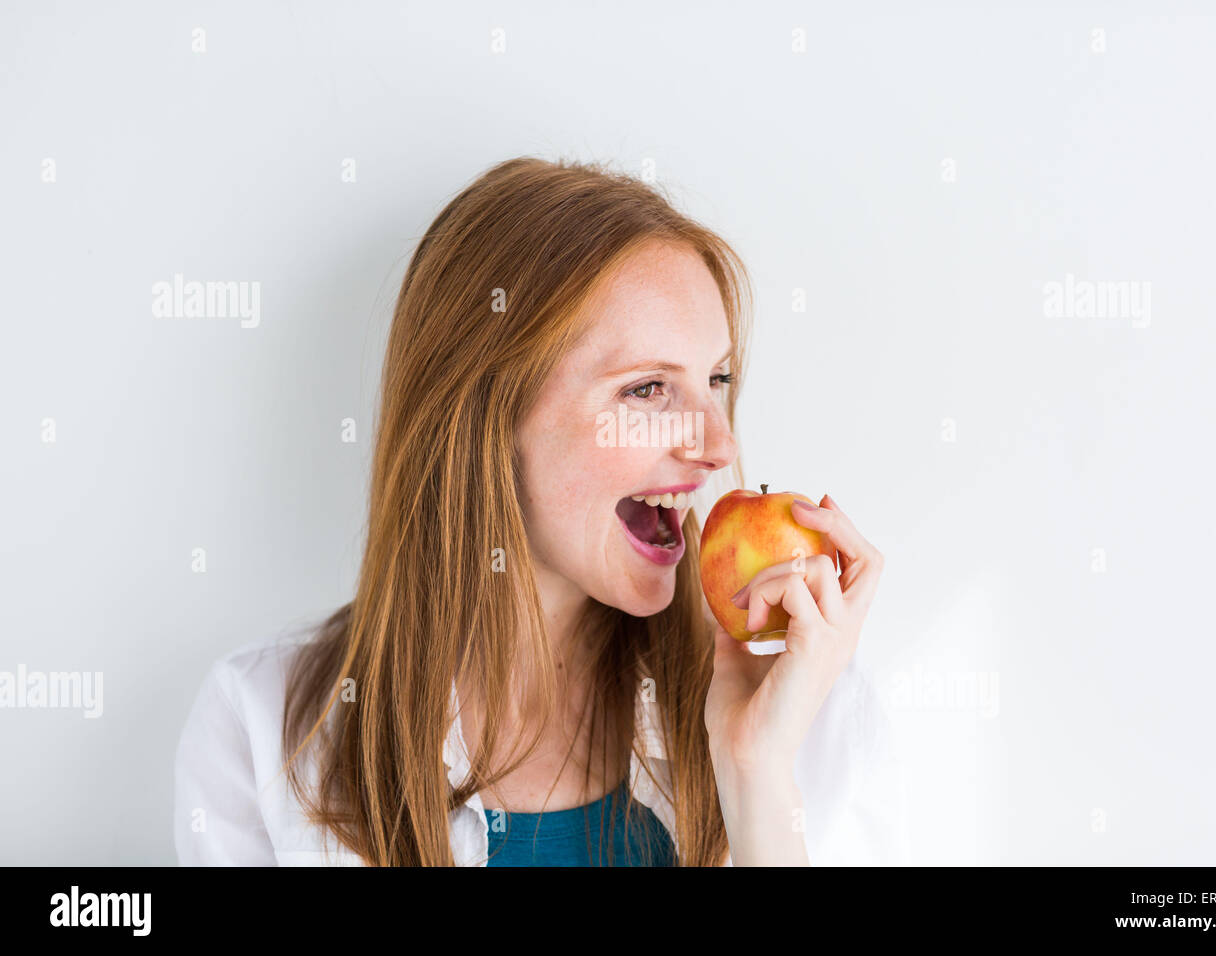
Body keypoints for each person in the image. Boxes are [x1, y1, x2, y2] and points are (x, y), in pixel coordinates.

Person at [173, 156, 907, 866]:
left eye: (716, 379)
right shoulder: (266, 729)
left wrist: (756, 777)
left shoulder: (806, 719)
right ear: (490, 415)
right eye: (647, 389)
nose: (720, 444)